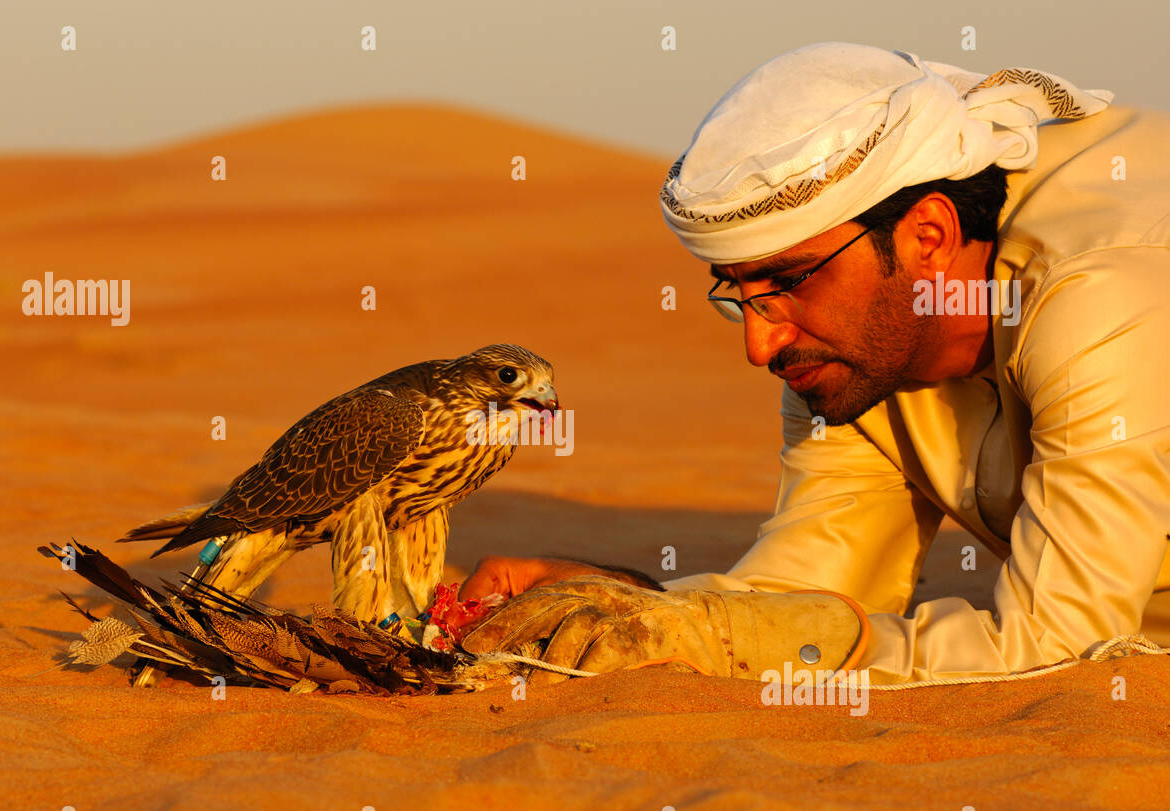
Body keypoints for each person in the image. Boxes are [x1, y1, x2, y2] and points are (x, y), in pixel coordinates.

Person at [459, 42, 1170, 685]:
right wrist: (618, 603)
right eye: (741, 295)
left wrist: (705, 634)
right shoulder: (855, 360)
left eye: (791, 281)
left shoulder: (1100, 296)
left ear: (929, 235)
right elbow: (812, 604)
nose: (759, 345)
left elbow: (1059, 653)